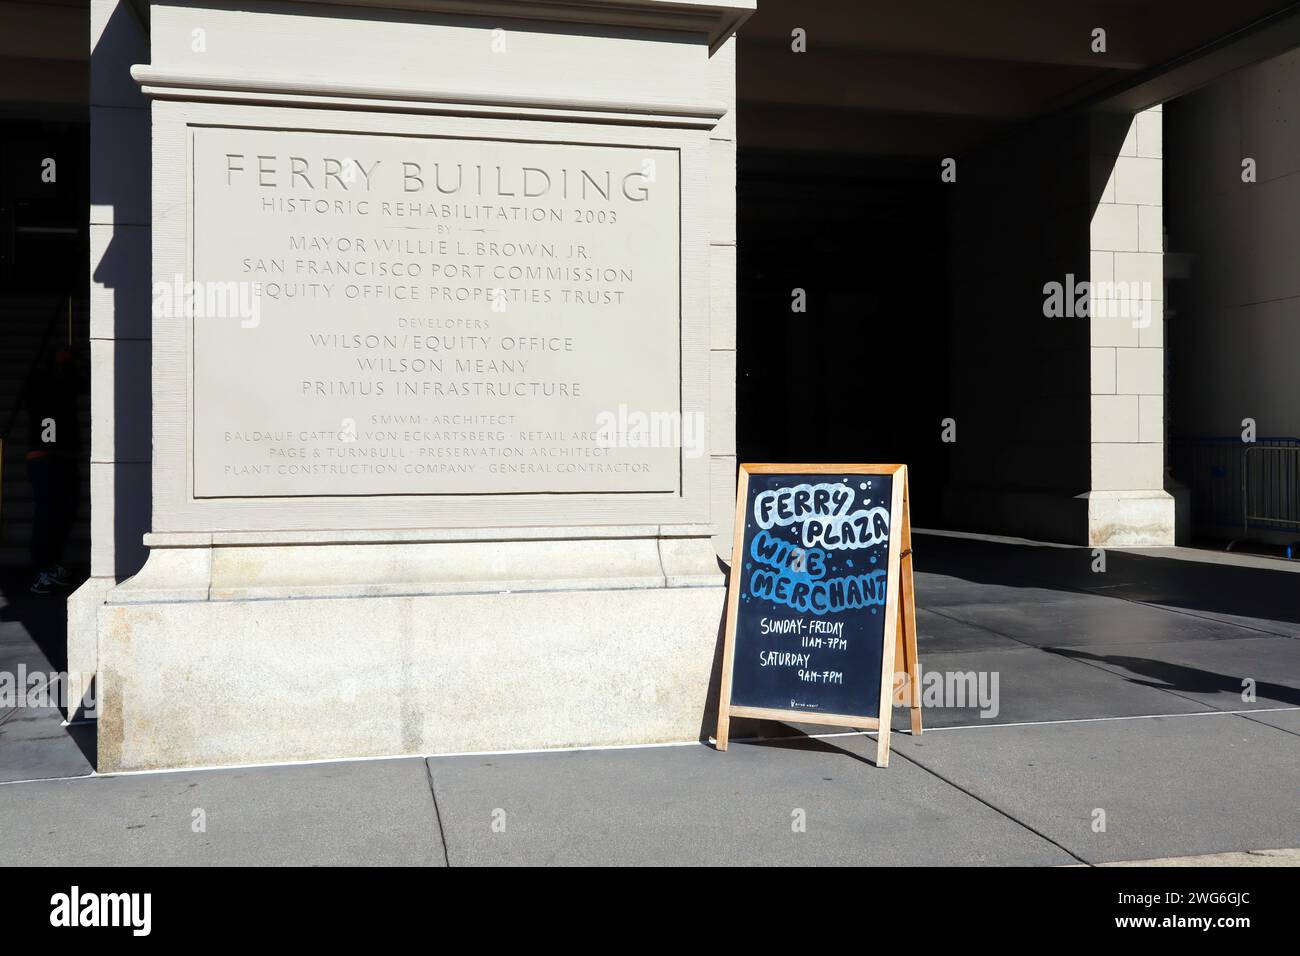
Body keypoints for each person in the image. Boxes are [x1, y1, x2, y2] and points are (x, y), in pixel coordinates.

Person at [24, 346, 83, 595]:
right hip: (46, 457)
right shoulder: (43, 383)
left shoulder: (66, 383)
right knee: (49, 515)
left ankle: (51, 565)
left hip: (62, 456)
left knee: (64, 513)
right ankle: (43, 571)